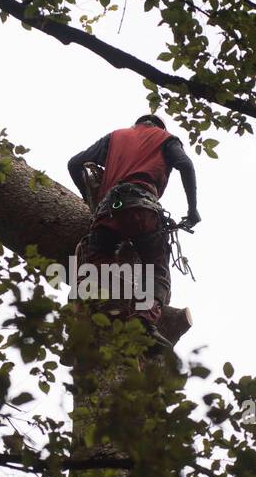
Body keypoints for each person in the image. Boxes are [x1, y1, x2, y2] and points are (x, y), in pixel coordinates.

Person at [67, 115, 200, 351]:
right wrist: (192, 210)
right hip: (143, 208)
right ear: (159, 127)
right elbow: (185, 165)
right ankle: (143, 322)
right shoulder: (166, 139)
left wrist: (91, 201)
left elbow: (74, 163)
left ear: (136, 125)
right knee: (156, 268)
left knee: (95, 258)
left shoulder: (115, 137)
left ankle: (101, 308)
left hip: (108, 210)